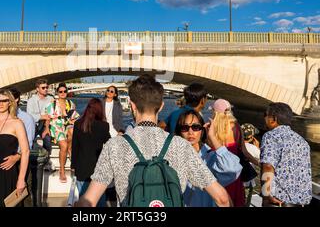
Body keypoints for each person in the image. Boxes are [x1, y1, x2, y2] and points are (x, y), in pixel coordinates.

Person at [75, 74, 231, 207]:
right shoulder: (181, 145)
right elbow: (222, 198)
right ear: (161, 106)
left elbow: (89, 202)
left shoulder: (115, 146)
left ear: (132, 106)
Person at [174, 109, 242, 207]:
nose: (190, 132)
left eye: (196, 127)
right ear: (179, 131)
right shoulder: (174, 155)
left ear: (202, 130)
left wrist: (213, 137)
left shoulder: (211, 157)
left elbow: (233, 169)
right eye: (185, 128)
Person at [260, 102, 312, 207]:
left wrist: (266, 195)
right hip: (299, 203)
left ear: (273, 119)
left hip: (277, 201)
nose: (264, 118)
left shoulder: (271, 136)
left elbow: (268, 166)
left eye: (265, 115)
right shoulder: (302, 142)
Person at [211, 99, 259, 207]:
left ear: (215, 112)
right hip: (235, 174)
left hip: (218, 173)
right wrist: (258, 163)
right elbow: (244, 152)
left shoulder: (213, 128)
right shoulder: (236, 126)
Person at [71, 98, 110, 206]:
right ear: (100, 110)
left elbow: (75, 147)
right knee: (99, 200)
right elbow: (109, 145)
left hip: (81, 167)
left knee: (83, 200)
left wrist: (73, 165)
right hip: (98, 168)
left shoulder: (78, 124)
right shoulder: (104, 126)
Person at [45, 82, 80, 183]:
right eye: (60, 91)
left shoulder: (71, 104)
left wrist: (73, 122)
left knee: (73, 131)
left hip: (67, 125)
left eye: (65, 91)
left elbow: (74, 117)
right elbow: (48, 118)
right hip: (56, 126)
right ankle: (62, 170)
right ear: (57, 93)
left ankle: (70, 151)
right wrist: (46, 128)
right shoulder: (52, 104)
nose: (63, 93)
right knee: (64, 146)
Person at [26, 79, 53, 154]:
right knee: (28, 141)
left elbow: (52, 114)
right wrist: (42, 116)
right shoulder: (31, 100)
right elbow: (30, 115)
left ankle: (47, 157)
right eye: (43, 88)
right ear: (37, 89)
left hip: (46, 125)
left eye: (47, 87)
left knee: (47, 140)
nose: (46, 89)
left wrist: (46, 126)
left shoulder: (50, 99)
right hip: (33, 125)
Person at [241, 123, 260, 206]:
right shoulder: (253, 148)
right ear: (251, 137)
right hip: (247, 181)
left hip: (235, 180)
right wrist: (258, 147)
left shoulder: (235, 145)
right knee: (245, 202)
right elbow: (263, 159)